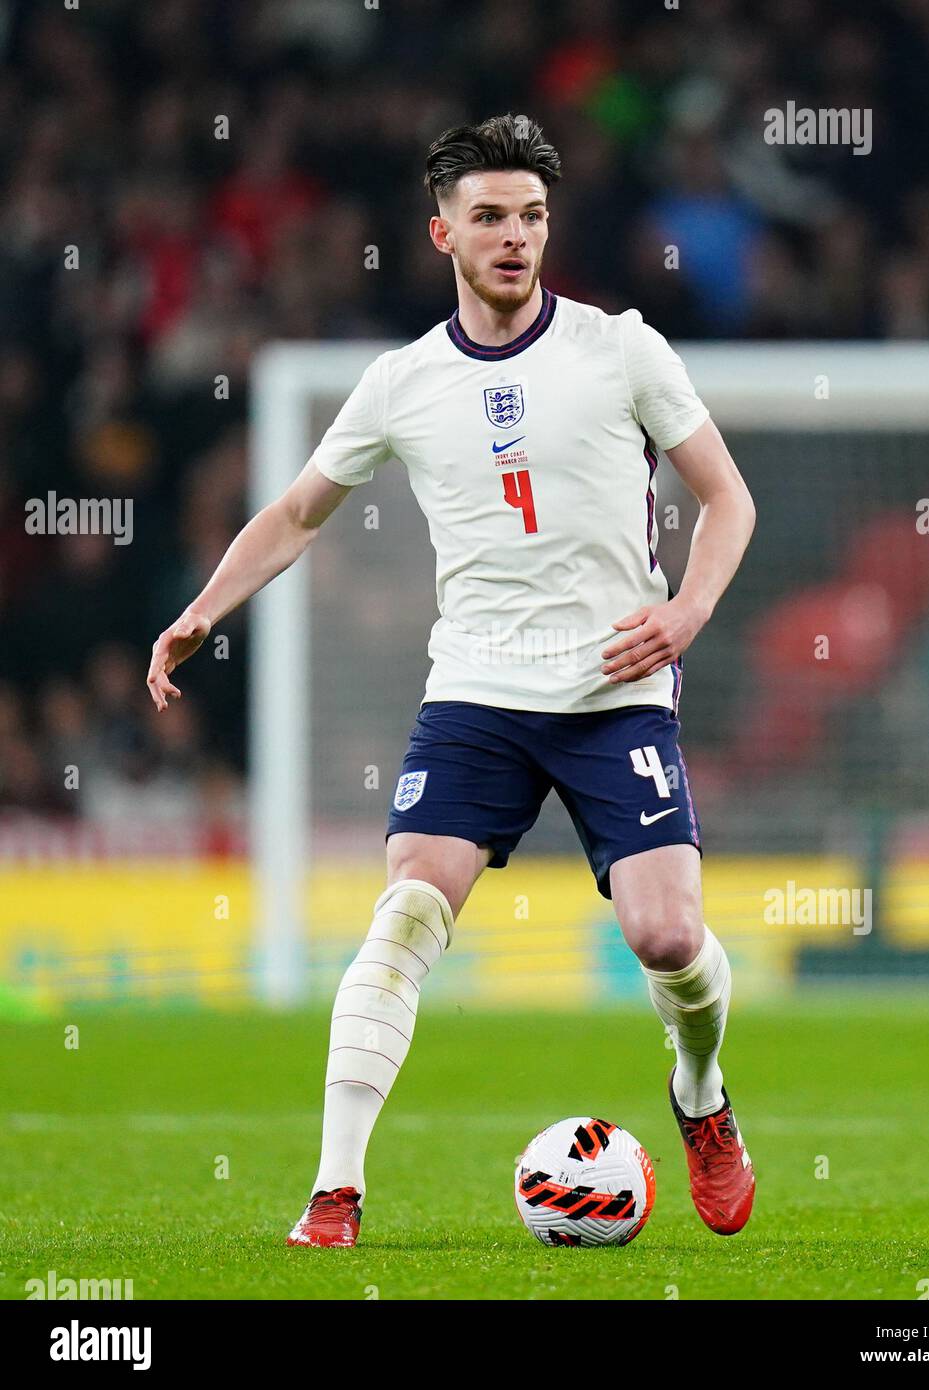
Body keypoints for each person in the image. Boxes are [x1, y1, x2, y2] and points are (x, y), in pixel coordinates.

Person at [146, 114, 758, 1249]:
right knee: (408, 908)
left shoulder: (621, 348)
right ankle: (335, 1190)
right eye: (489, 216)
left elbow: (728, 497)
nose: (514, 236)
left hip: (614, 688)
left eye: (530, 215)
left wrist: (687, 610)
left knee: (667, 937)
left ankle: (699, 1096)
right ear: (442, 232)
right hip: (476, 693)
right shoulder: (401, 382)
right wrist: (201, 610)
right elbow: (293, 514)